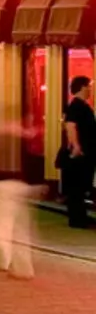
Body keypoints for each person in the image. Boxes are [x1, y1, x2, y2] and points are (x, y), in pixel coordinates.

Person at [62, 76, 96, 228]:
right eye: (89, 86)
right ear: (82, 88)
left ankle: (80, 216)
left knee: (81, 185)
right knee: (78, 185)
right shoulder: (76, 106)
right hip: (81, 153)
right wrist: (76, 146)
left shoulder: (80, 106)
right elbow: (70, 126)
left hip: (86, 151)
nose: (90, 90)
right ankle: (76, 219)